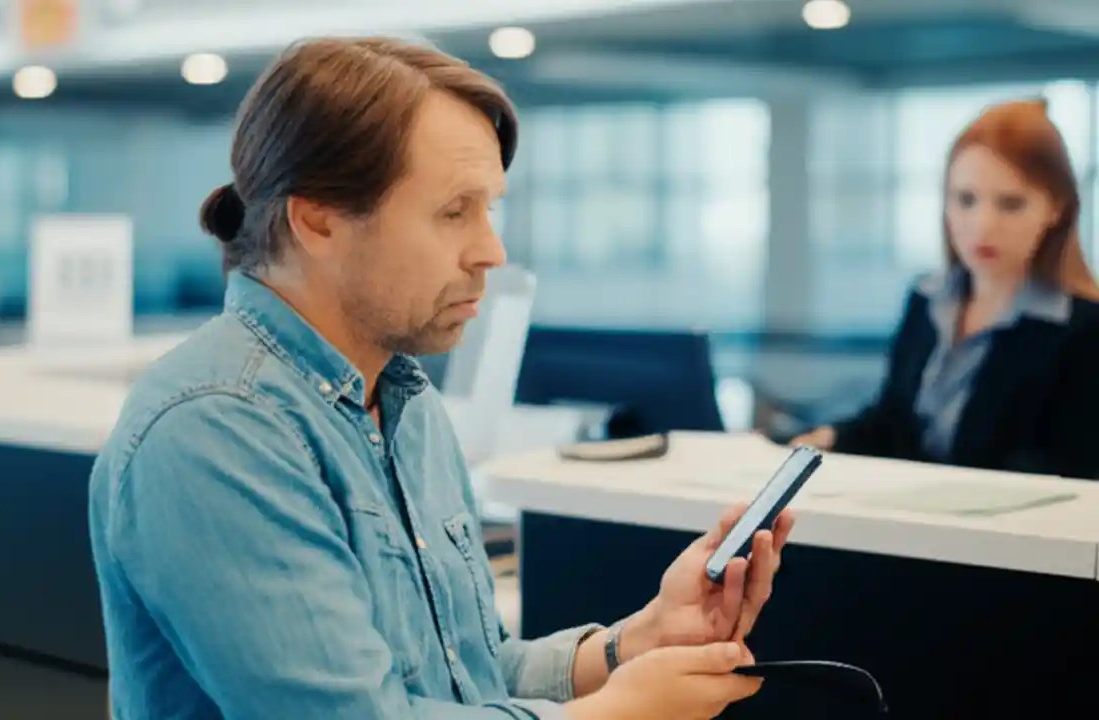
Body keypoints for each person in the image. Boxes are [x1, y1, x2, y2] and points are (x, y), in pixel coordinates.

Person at [89, 37, 794, 720]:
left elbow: (469, 671)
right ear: (318, 220)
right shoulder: (217, 427)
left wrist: (632, 645)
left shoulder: (403, 400)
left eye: (489, 209)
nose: (490, 250)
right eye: (454, 211)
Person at [793, 99, 1099, 479]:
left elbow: (1068, 467)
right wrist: (825, 440)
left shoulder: (1083, 330)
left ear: (1056, 208)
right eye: (965, 199)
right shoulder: (927, 299)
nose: (983, 225)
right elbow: (894, 422)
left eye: (1011, 204)